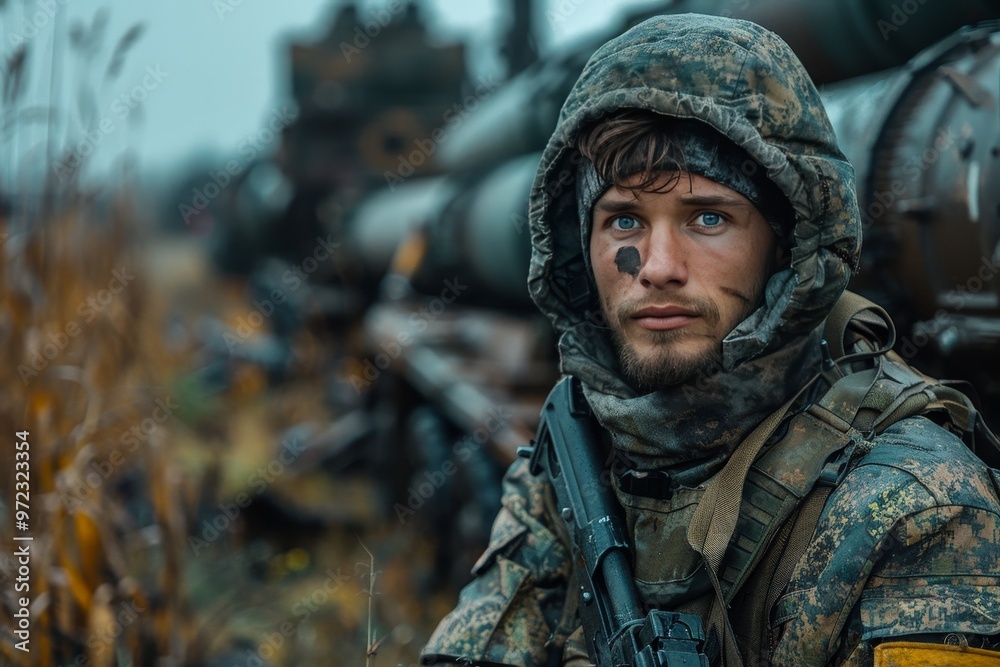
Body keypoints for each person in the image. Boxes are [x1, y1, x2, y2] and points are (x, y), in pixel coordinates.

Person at [421, 13, 1000, 667]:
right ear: (579, 249)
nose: (657, 264)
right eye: (624, 219)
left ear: (786, 246)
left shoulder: (914, 508)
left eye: (707, 217)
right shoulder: (581, 457)